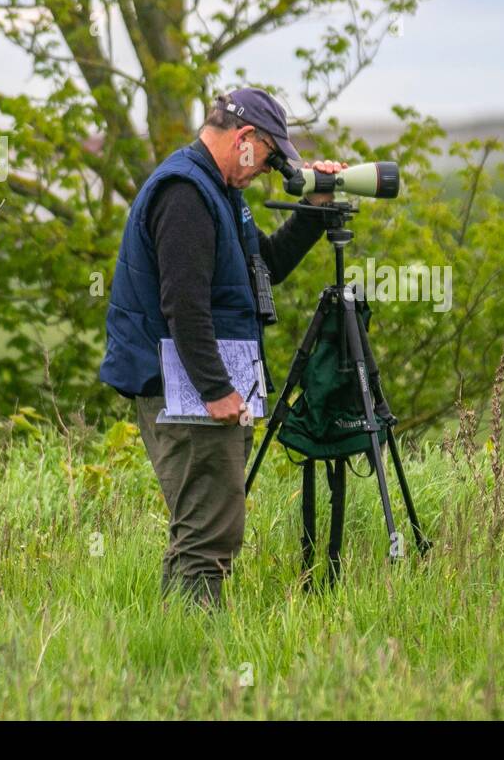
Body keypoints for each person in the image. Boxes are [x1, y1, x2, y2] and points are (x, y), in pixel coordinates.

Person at [99, 87, 345, 608]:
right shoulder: (186, 194)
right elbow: (183, 304)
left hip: (193, 384)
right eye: (268, 159)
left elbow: (266, 268)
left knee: (200, 529)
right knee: (210, 535)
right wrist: (217, 390)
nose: (265, 171)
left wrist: (314, 209)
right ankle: (196, 658)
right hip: (187, 391)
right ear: (245, 139)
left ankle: (172, 647)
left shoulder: (217, 192)